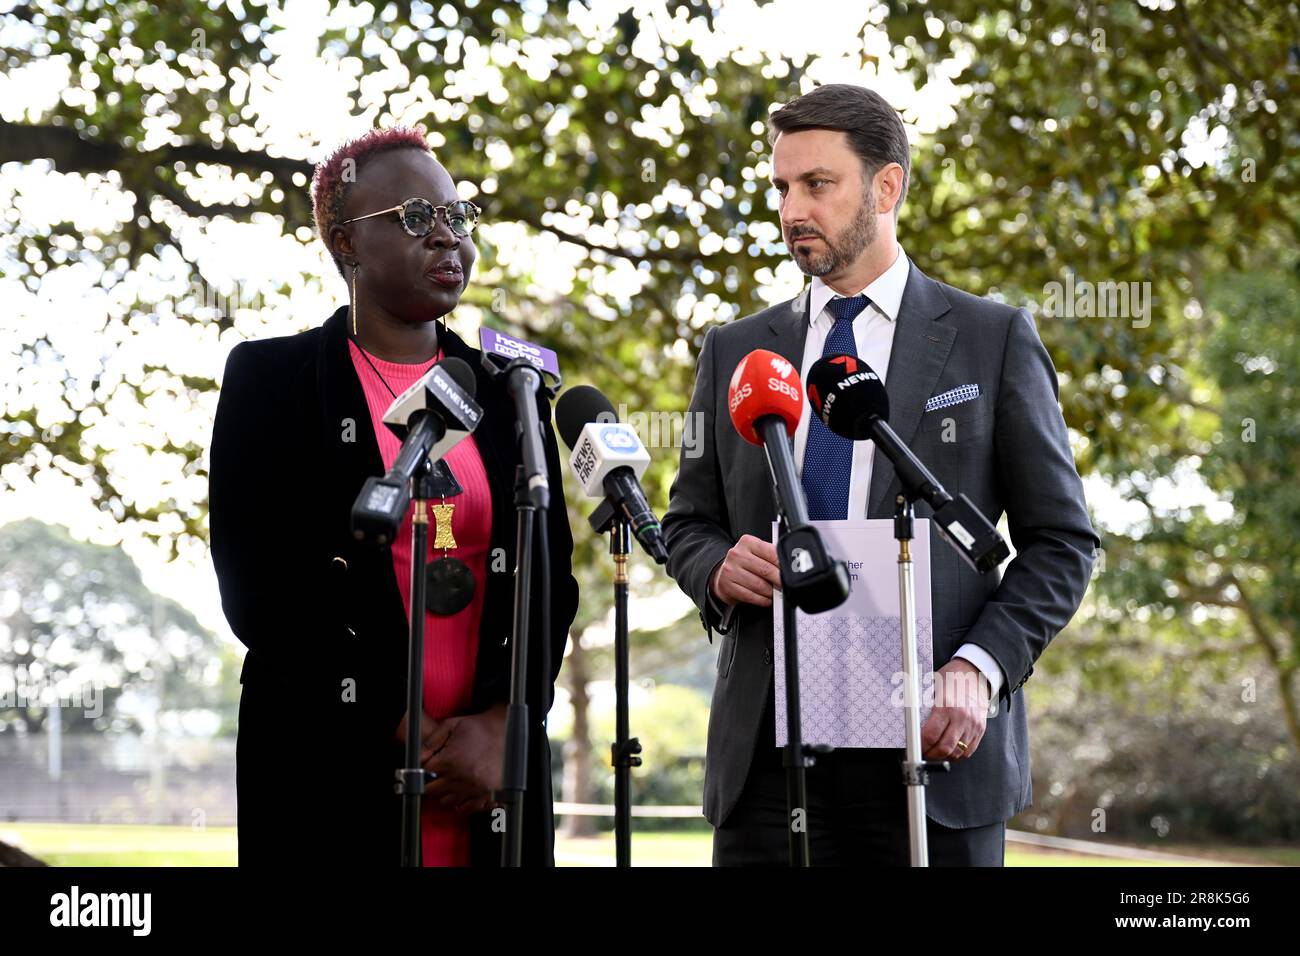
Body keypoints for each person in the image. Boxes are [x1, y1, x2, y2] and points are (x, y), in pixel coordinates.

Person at [662, 84, 1099, 865]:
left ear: (886, 186)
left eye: (817, 184)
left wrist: (980, 667)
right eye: (782, 188)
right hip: (766, 755)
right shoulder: (733, 350)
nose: (793, 209)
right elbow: (687, 522)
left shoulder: (992, 339)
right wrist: (716, 569)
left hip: (931, 749)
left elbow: (1062, 542)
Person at [208, 125, 578, 867]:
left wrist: (506, 722)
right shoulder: (272, 382)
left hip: (487, 778)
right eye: (415, 218)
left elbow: (552, 579)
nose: (447, 237)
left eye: (457, 216)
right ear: (346, 243)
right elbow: (260, 590)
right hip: (332, 760)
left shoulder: (513, 389)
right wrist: (399, 724)